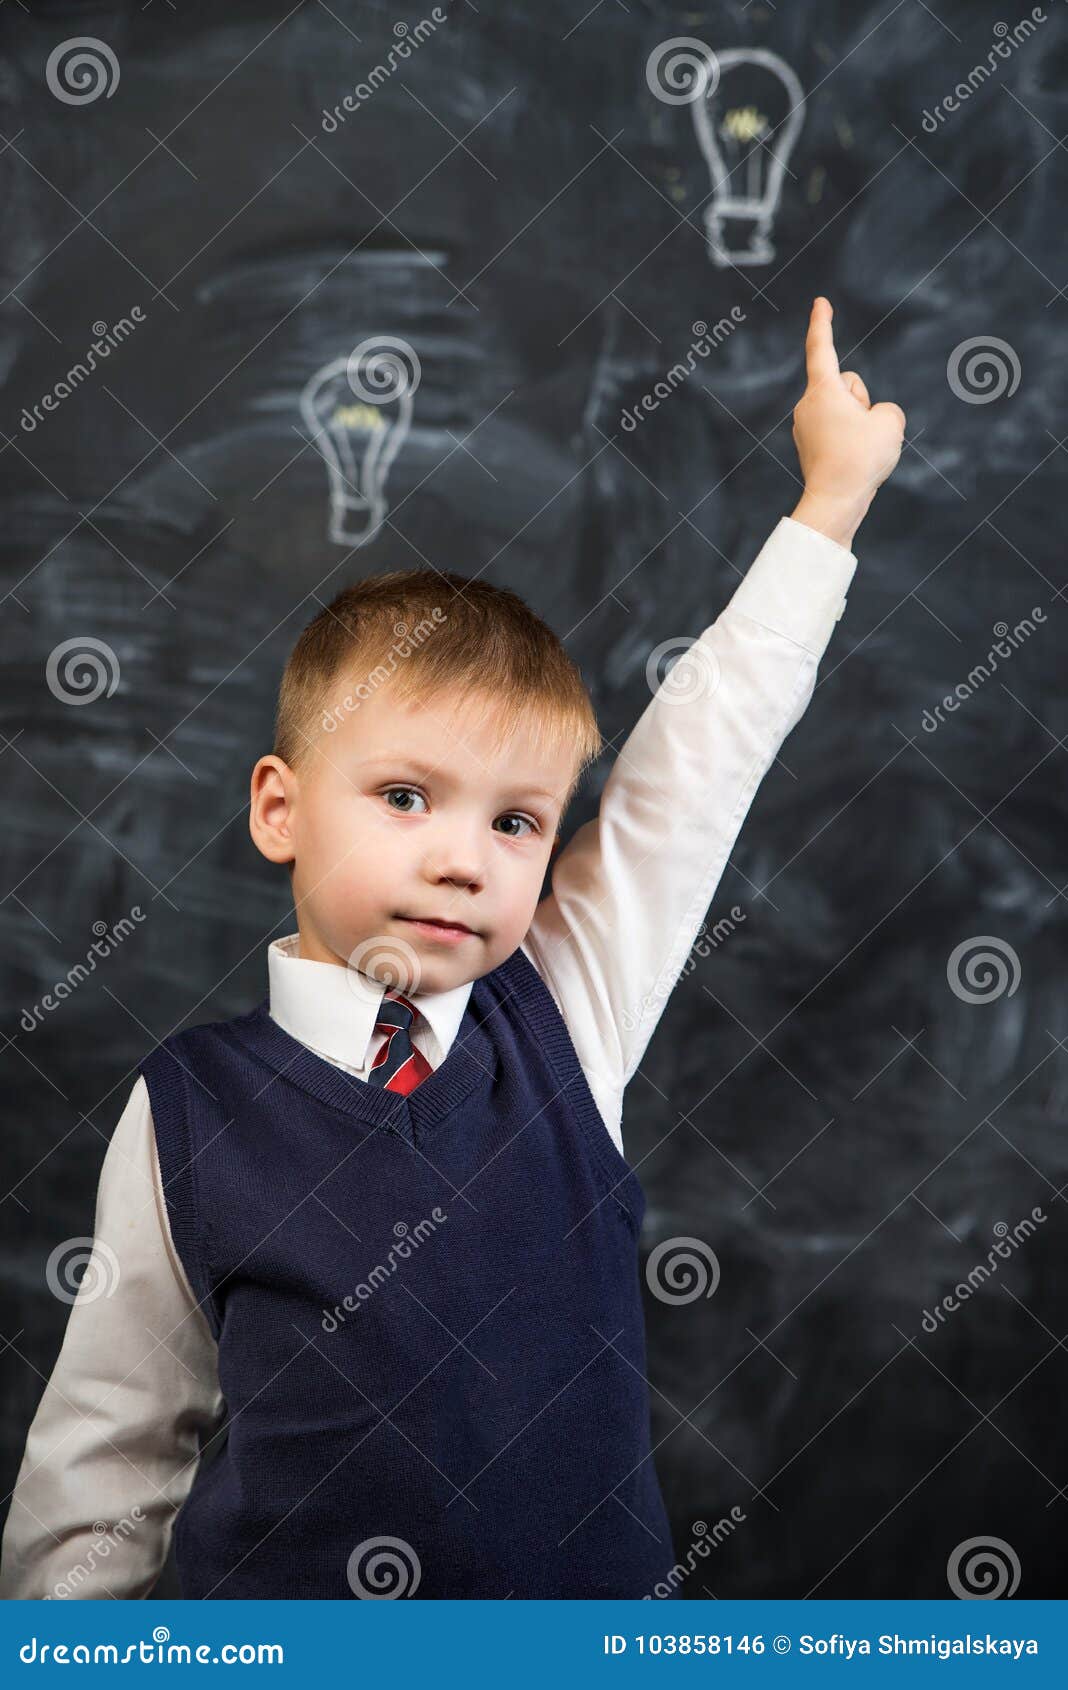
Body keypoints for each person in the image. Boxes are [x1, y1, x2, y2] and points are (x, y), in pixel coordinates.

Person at [0, 299, 904, 1599]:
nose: (464, 857)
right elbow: (105, 1457)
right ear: (280, 806)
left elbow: (692, 774)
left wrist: (829, 508)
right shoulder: (190, 1111)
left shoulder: (564, 1012)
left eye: (519, 819)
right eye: (407, 796)